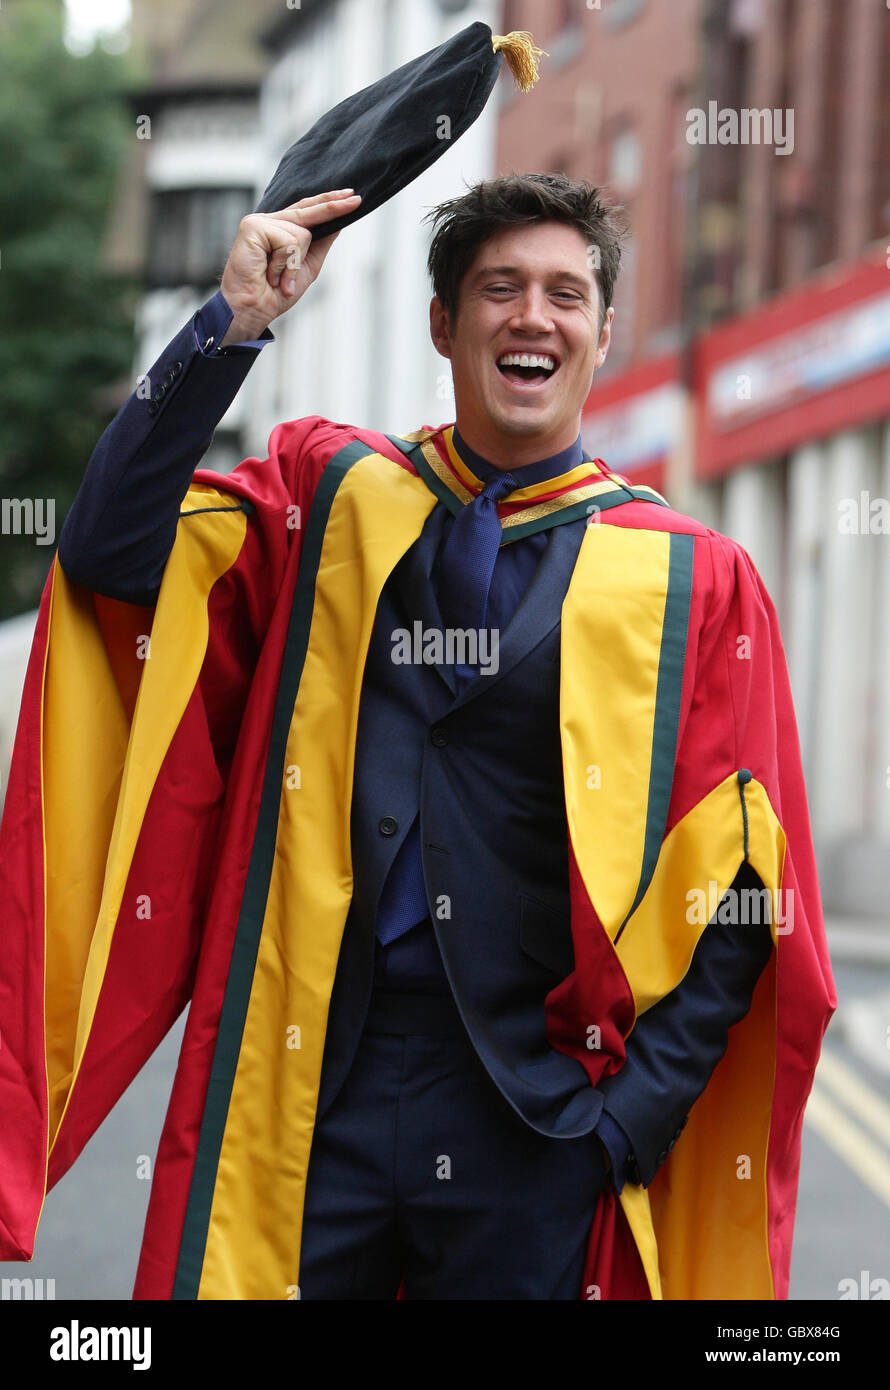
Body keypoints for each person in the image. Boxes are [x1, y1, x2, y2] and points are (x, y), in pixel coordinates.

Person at [0, 175, 834, 1300]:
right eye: (498, 288)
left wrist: (619, 1129)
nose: (531, 315)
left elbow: (744, 896)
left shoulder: (692, 580)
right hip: (305, 1095)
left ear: (599, 332)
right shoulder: (326, 494)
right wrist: (230, 326)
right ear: (443, 323)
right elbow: (107, 552)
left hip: (529, 1123)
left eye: (563, 293)